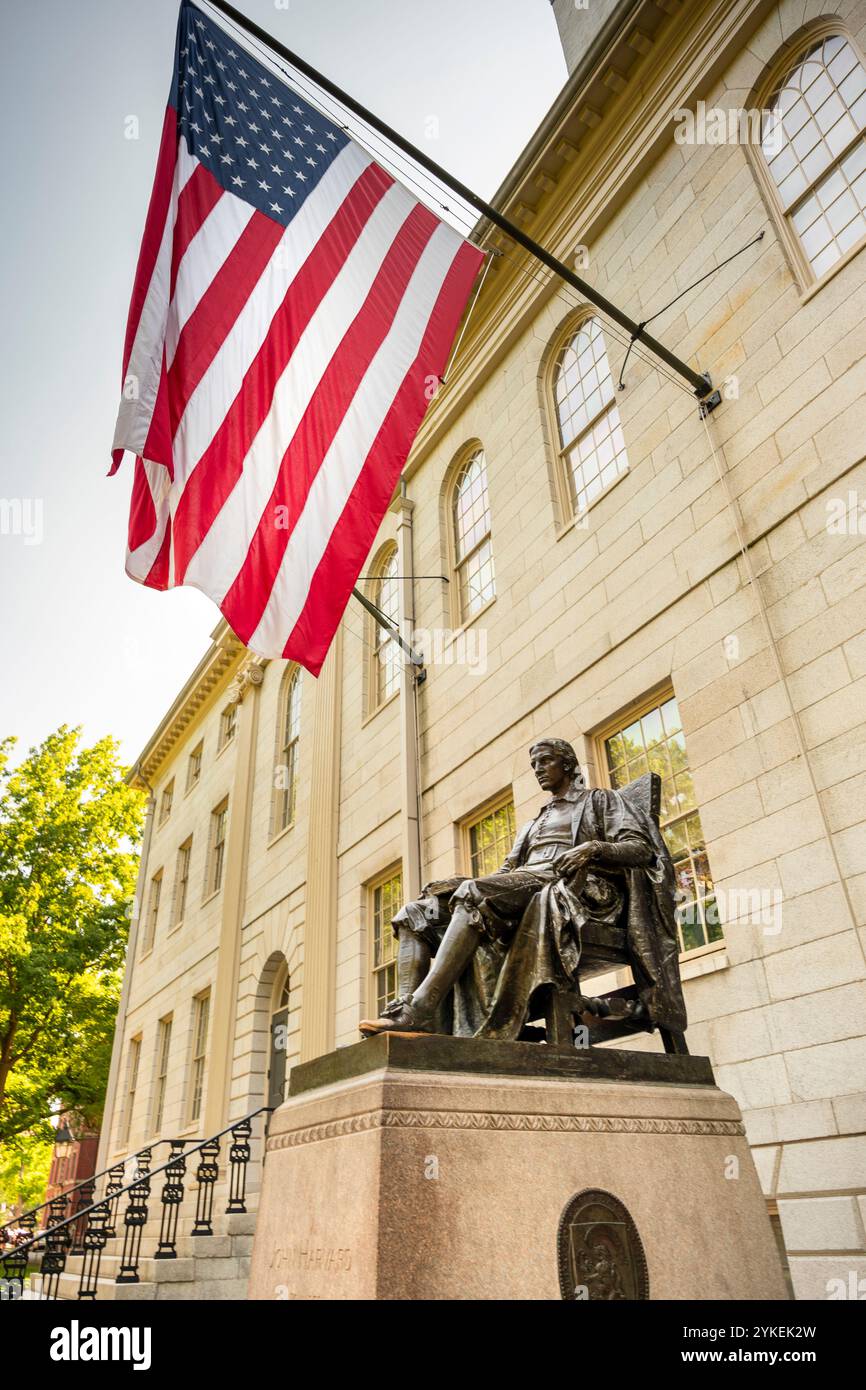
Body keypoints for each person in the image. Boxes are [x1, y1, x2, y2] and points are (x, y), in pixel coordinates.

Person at [359, 737, 686, 1040]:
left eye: (546, 761)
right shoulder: (535, 822)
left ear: (569, 764)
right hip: (528, 884)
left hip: (580, 890)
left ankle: (421, 1009)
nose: (538, 770)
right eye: (534, 765)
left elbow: (642, 849)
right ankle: (407, 1012)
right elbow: (506, 873)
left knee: (473, 895)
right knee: (415, 912)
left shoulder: (601, 800)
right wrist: (459, 883)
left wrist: (593, 849)